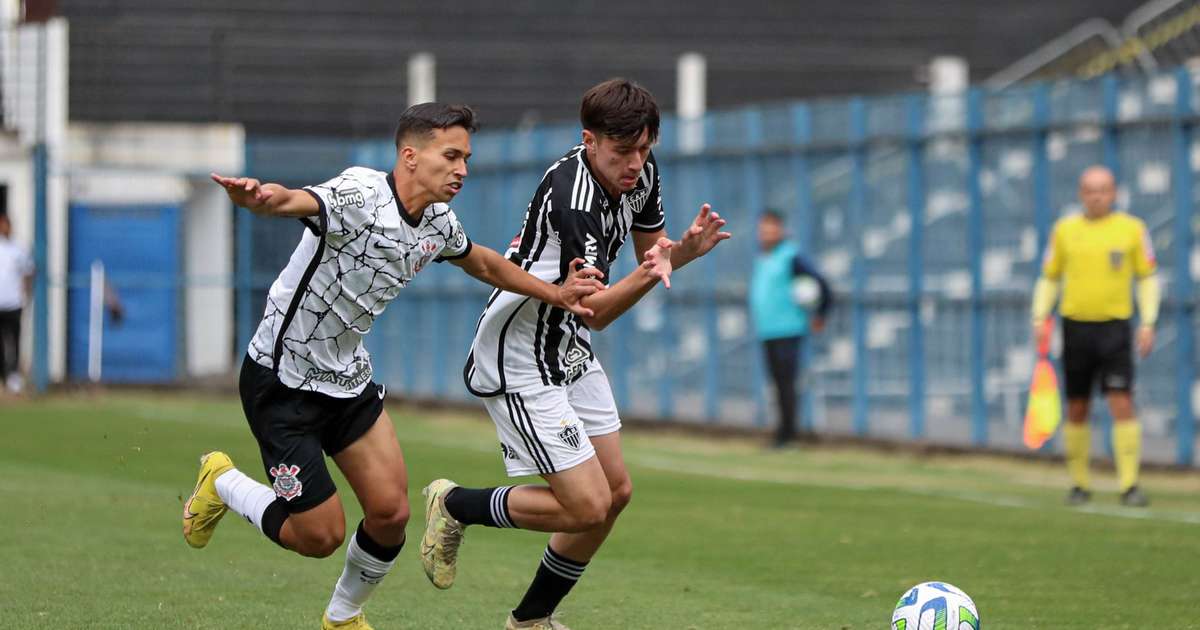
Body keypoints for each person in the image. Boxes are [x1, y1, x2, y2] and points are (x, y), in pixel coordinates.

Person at [182, 103, 605, 630]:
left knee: (391, 514)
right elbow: (295, 200)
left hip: (347, 379)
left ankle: (342, 618)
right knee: (319, 537)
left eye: (466, 158)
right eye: (451, 156)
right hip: (281, 381)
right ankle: (222, 481)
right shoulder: (358, 194)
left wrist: (556, 293)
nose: (462, 169)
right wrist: (261, 200)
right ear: (410, 155)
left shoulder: (437, 221)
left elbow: (482, 261)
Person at [419, 78, 731, 630]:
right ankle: (455, 505)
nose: (635, 162)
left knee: (616, 493)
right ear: (589, 140)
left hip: (566, 341)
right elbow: (600, 311)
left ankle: (530, 620)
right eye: (621, 152)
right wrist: (668, 263)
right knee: (587, 505)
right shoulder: (573, 195)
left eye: (644, 148)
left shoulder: (641, 170)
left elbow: (646, 255)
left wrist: (677, 253)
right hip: (521, 352)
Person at [1031, 165, 1160, 507]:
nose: (1097, 195)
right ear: (1080, 194)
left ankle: (1129, 484)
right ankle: (1080, 484)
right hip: (1076, 327)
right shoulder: (1065, 231)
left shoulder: (1132, 230)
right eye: (1090, 190)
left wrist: (1148, 321)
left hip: (1115, 328)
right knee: (1077, 406)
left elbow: (1147, 277)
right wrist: (1040, 315)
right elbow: (1050, 277)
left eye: (1103, 189)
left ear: (1114, 192)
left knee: (1121, 400)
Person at [749, 210, 831, 447]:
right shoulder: (764, 257)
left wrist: (820, 313)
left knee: (786, 383)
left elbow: (821, 284)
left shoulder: (791, 256)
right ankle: (782, 432)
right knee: (777, 383)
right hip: (768, 329)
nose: (766, 234)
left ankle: (788, 435)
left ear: (781, 230)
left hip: (788, 329)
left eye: (771, 229)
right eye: (763, 229)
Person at [0, 212, 33, 394]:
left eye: (7, 224)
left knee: (15, 340)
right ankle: (3, 376)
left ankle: (14, 377)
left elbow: (28, 272)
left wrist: (26, 295)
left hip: (13, 303)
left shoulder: (18, 249)